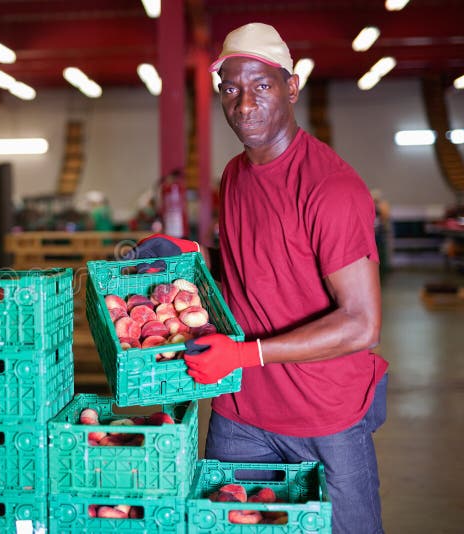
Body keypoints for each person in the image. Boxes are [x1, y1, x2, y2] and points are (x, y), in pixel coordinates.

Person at [132, 23, 388, 533]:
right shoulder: (235, 176)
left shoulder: (331, 189)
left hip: (323, 416)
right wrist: (190, 260)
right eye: (230, 89)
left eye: (262, 86)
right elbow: (252, 275)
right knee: (228, 525)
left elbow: (362, 324)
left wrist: (244, 354)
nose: (244, 104)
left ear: (291, 87)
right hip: (242, 410)